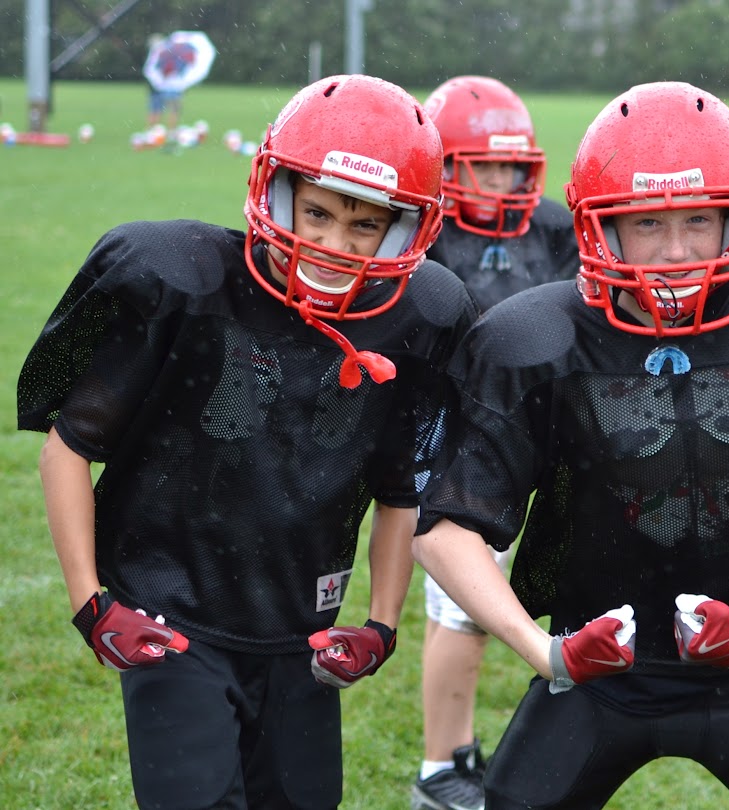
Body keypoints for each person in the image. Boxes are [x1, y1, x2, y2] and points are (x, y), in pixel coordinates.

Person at [412, 81, 729, 809]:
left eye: (700, 219)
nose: (677, 250)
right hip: (593, 677)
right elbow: (444, 532)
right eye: (648, 223)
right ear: (599, 228)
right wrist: (550, 654)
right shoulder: (534, 339)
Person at [17, 74, 474, 808]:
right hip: (174, 613)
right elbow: (69, 447)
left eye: (366, 225)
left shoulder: (419, 314)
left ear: (409, 228)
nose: (334, 244)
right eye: (318, 212)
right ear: (275, 188)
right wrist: (92, 605)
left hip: (299, 633)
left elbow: (399, 488)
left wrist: (381, 625)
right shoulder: (182, 280)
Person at [411, 74, 580, 810]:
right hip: (469, 435)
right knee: (466, 608)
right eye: (485, 166)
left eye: (514, 166)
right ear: (445, 166)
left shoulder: (552, 224)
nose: (504, 181)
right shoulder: (426, 229)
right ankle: (441, 764)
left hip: (557, 429)